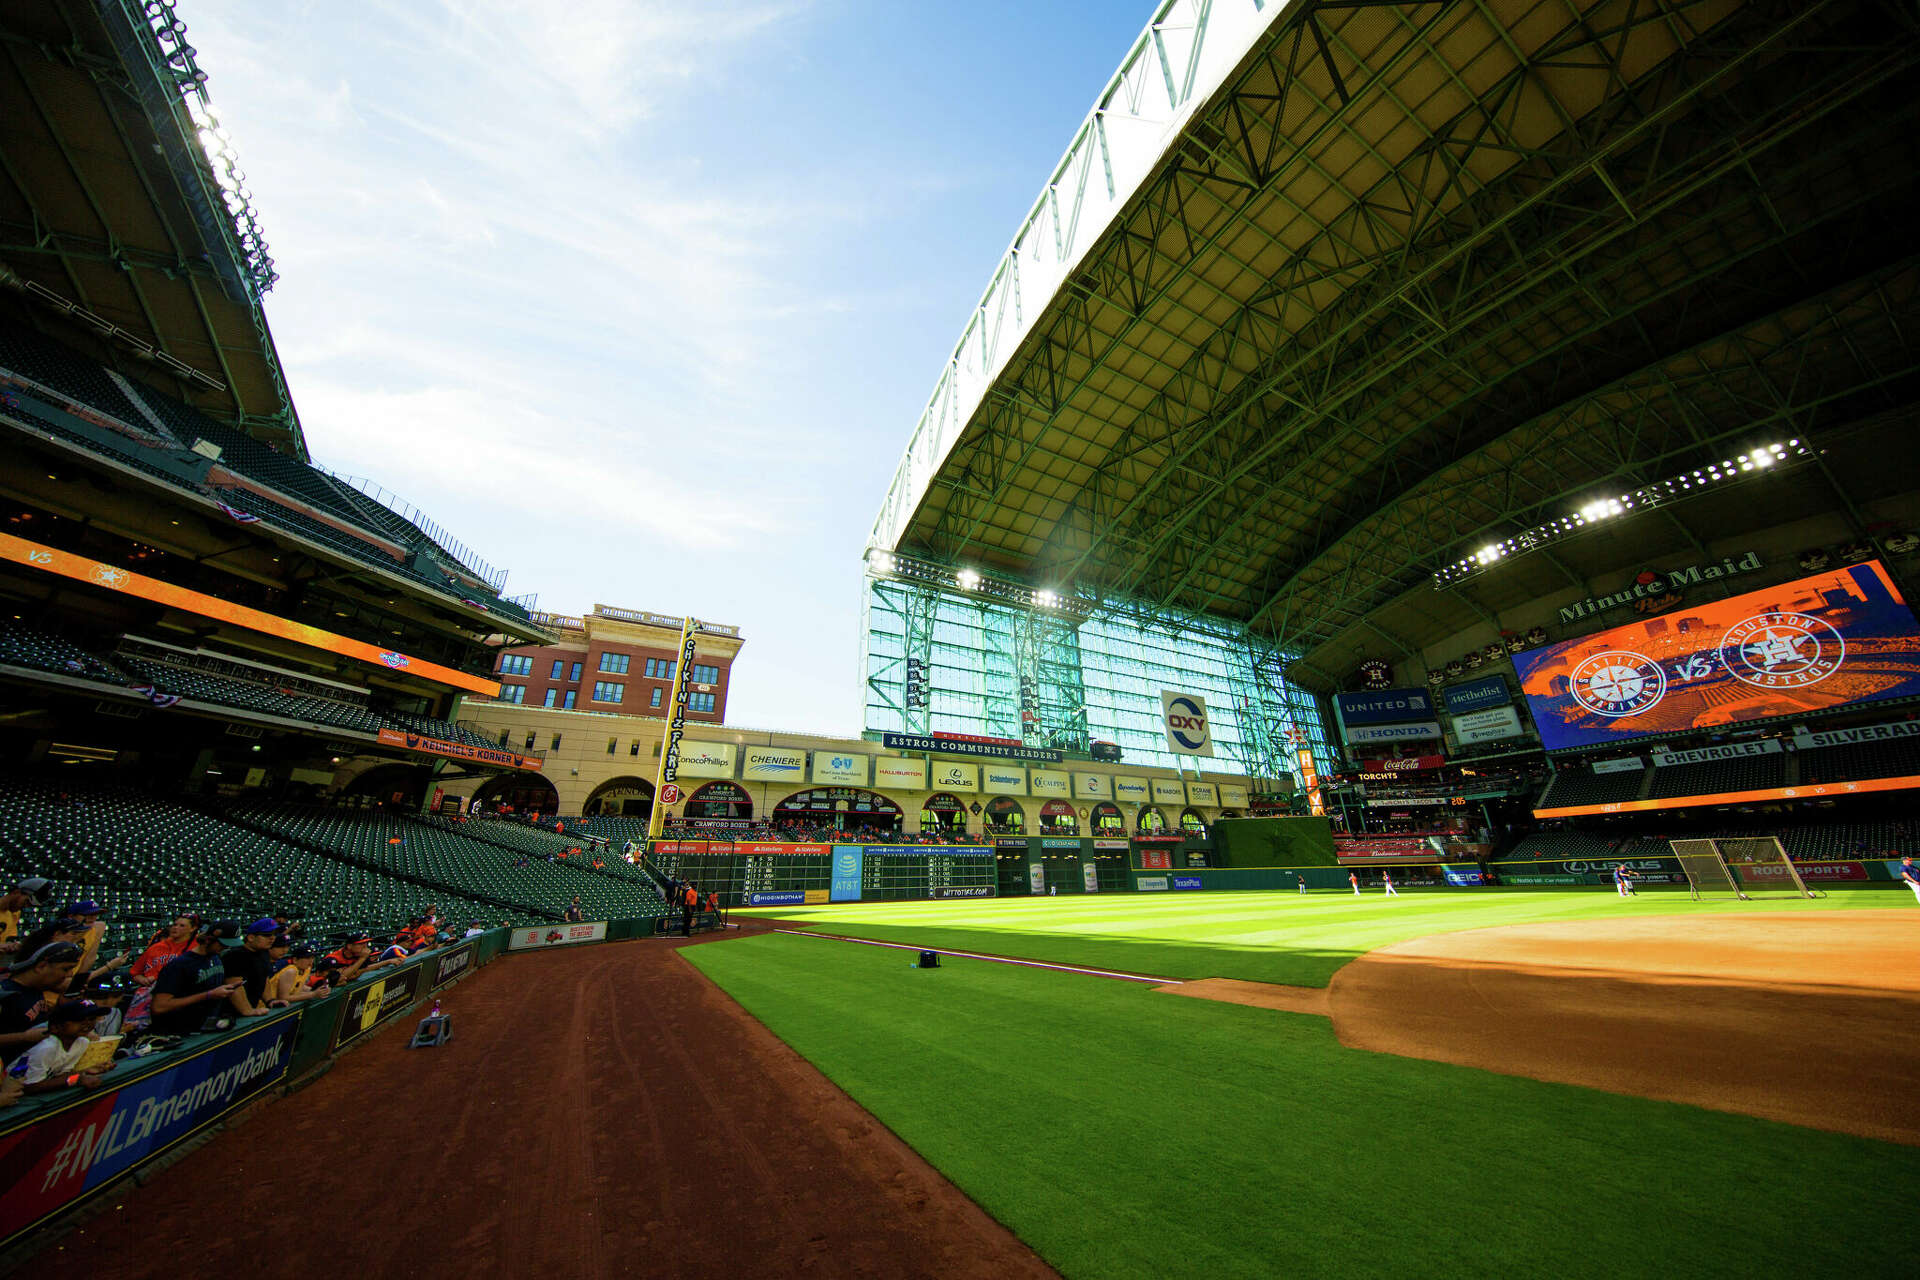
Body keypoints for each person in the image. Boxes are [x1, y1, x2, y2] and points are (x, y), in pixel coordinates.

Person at [147, 921, 247, 1037]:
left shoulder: (215, 957)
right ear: (208, 940)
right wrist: (209, 995)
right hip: (180, 1034)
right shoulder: (180, 965)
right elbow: (159, 1006)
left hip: (207, 1028)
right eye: (223, 944)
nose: (227, 948)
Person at [0, 940, 82, 1068]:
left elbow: (34, 1021)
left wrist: (61, 1006)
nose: (69, 974)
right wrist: (23, 1037)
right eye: (66, 969)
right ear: (41, 966)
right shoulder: (5, 993)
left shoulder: (37, 988)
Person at [18, 1000, 113, 1093]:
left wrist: (85, 1072)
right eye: (79, 1019)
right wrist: (77, 1079)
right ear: (56, 1027)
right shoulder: (46, 1047)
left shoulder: (82, 1042)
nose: (87, 1023)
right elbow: (29, 1087)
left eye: (92, 1018)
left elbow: (62, 1076)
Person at [221, 919, 284, 1019]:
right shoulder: (235, 955)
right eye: (267, 935)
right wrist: (247, 1010)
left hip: (250, 1011)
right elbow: (234, 986)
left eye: (274, 934)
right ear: (251, 937)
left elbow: (264, 978)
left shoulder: (263, 952)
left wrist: (270, 1000)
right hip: (228, 1015)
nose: (272, 938)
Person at [0, 877, 53, 954]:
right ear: (16, 892)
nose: (26, 906)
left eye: (30, 905)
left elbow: (6, 940)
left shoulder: (14, 914)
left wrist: (13, 946)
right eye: (26, 901)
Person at [264, 942, 329, 1005]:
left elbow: (297, 989)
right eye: (307, 958)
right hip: (266, 1005)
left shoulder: (306, 969)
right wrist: (313, 994)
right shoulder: (291, 971)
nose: (311, 961)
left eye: (312, 957)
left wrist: (319, 990)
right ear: (295, 960)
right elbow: (283, 997)